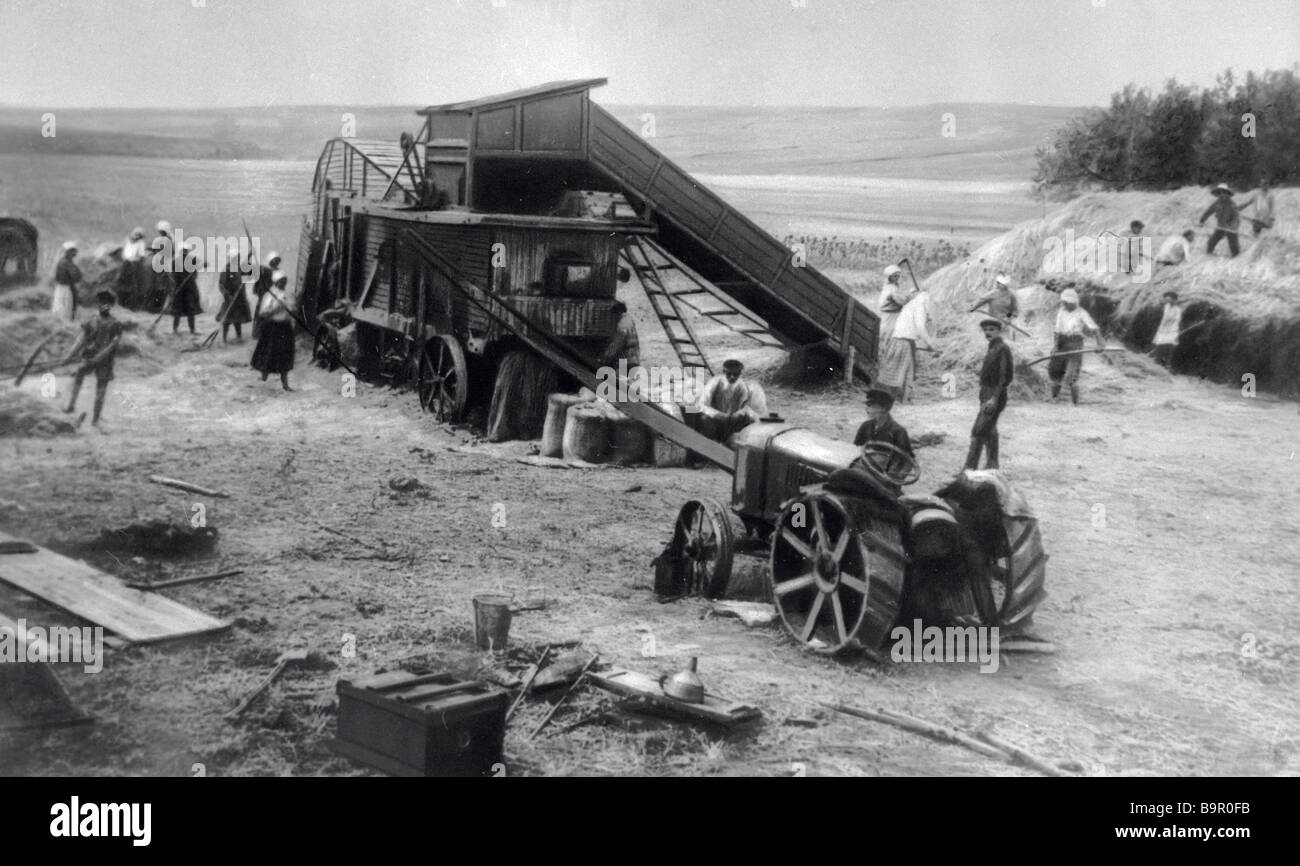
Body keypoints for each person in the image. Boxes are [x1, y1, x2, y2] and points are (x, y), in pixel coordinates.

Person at [63, 288, 123, 429]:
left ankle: (95, 419)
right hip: (90, 356)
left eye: (106, 303)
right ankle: (71, 405)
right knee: (79, 374)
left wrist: (98, 358)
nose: (103, 306)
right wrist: (69, 356)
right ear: (98, 304)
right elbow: (81, 339)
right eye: (101, 303)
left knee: (101, 390)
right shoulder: (92, 321)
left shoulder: (116, 324)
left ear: (111, 306)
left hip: (105, 361)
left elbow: (112, 346)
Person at [964, 318, 1014, 470]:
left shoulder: (1002, 348)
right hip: (986, 393)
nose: (988, 332)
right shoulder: (992, 347)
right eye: (986, 330)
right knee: (990, 430)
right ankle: (992, 465)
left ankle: (969, 469)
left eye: (992, 329)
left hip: (995, 394)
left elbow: (1004, 377)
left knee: (978, 432)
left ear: (999, 331)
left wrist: (994, 398)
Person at [1048, 288, 1105, 405]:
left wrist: (1100, 344)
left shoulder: (1081, 313)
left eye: (1066, 302)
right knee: (1055, 372)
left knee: (1072, 374)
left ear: (1072, 302)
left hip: (1075, 344)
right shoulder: (1061, 311)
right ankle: (1054, 398)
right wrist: (1055, 346)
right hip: (1062, 343)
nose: (1064, 304)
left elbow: (1094, 328)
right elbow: (1057, 331)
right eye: (1064, 302)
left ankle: (1075, 404)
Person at [877, 287, 933, 402]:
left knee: (894, 371)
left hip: (896, 341)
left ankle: (895, 398)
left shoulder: (910, 304)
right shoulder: (920, 306)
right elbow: (920, 327)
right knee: (907, 372)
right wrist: (930, 343)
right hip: (904, 343)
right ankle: (904, 399)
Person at [695, 359, 767, 442]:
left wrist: (739, 414)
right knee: (705, 420)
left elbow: (748, 408)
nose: (732, 377)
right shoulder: (714, 383)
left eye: (735, 374)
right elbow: (702, 405)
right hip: (716, 420)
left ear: (740, 373)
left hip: (733, 422)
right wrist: (718, 415)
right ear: (724, 372)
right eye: (729, 374)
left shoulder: (746, 387)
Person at [250, 270, 296, 391]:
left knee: (285, 355)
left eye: (285, 281)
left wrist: (290, 308)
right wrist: (276, 307)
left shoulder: (288, 294)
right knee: (269, 353)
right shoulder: (269, 295)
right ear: (276, 282)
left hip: (285, 327)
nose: (283, 283)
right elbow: (263, 313)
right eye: (281, 281)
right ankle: (264, 375)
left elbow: (293, 309)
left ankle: (285, 383)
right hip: (272, 327)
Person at [854, 387, 913, 454]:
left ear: (884, 409)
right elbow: (855, 450)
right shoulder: (865, 426)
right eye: (867, 405)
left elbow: (907, 459)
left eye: (872, 406)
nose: (867, 409)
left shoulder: (898, 431)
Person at [1199, 184, 1244, 257]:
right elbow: (1210, 211)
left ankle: (1236, 258)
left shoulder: (1231, 204)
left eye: (1223, 192)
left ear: (1227, 194)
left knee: (1234, 248)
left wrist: (1230, 225)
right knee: (1211, 242)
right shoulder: (1217, 202)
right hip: (1221, 226)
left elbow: (1236, 217)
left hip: (1232, 227)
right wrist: (1202, 219)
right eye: (1220, 193)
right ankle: (1208, 255)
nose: (1222, 194)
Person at [217, 249, 253, 342]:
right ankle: (224, 339)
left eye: (238, 258)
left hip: (239, 298)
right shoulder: (226, 270)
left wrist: (249, 257)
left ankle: (239, 337)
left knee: (238, 319)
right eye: (237, 258)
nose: (238, 259)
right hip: (230, 298)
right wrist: (227, 295)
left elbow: (248, 271)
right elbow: (221, 285)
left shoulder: (238, 268)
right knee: (227, 320)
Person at [877, 264, 912, 356]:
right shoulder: (890, 289)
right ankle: (887, 354)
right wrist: (910, 296)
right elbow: (901, 301)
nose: (897, 278)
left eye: (898, 276)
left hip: (892, 314)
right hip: (890, 315)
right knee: (889, 334)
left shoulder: (893, 287)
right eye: (895, 276)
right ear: (889, 277)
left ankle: (888, 352)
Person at [171, 238, 202, 335]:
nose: (185, 252)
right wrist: (179, 283)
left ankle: (192, 330)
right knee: (177, 310)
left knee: (191, 309)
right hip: (179, 289)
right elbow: (174, 276)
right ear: (180, 251)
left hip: (189, 289)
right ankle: (175, 330)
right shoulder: (175, 262)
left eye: (186, 251)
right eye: (183, 251)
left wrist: (191, 277)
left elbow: (195, 274)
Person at [598, 300, 640, 369]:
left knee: (616, 379)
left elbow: (616, 344)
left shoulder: (622, 325)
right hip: (634, 359)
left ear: (618, 312)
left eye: (614, 315)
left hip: (625, 361)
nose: (613, 317)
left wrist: (604, 358)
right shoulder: (629, 320)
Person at [1151, 291, 1183, 369]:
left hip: (1172, 330)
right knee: (1159, 346)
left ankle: (1167, 364)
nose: (1168, 301)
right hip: (1162, 330)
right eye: (1167, 299)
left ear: (1174, 300)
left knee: (1170, 347)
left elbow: (1177, 320)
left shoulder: (1177, 310)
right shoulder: (1166, 307)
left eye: (1170, 299)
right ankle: (1157, 362)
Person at [116, 227, 147, 307]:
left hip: (129, 264)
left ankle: (126, 303)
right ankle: (126, 303)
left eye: (138, 235)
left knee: (127, 283)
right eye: (137, 235)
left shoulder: (135, 242)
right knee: (128, 282)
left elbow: (140, 256)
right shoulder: (135, 242)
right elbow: (141, 255)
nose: (137, 237)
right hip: (130, 264)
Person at [51, 241, 81, 321]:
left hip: (62, 288)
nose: (75, 253)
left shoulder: (64, 261)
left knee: (62, 307)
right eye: (73, 251)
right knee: (65, 308)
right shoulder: (66, 263)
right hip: (65, 289)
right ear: (68, 252)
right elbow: (76, 276)